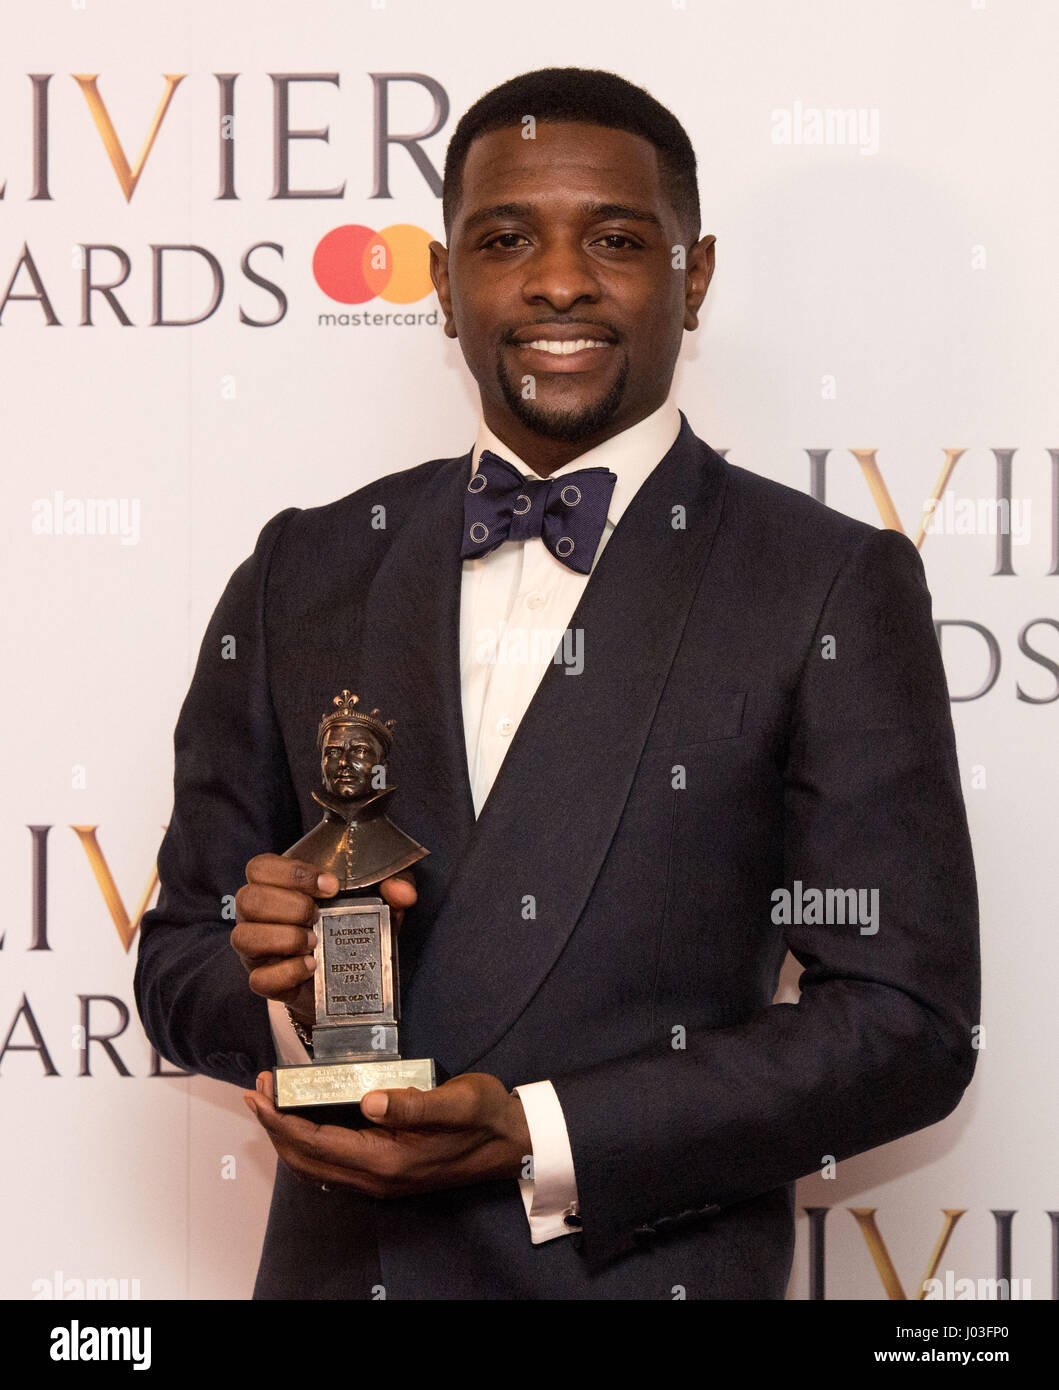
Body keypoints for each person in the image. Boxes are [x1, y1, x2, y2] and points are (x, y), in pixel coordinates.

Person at [134, 66, 980, 1300]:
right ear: (441, 283)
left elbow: (907, 1024)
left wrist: (545, 1132)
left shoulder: (824, 584)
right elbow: (178, 957)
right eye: (505, 238)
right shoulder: (303, 566)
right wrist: (291, 996)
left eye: (619, 239)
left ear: (693, 280)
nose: (560, 280)